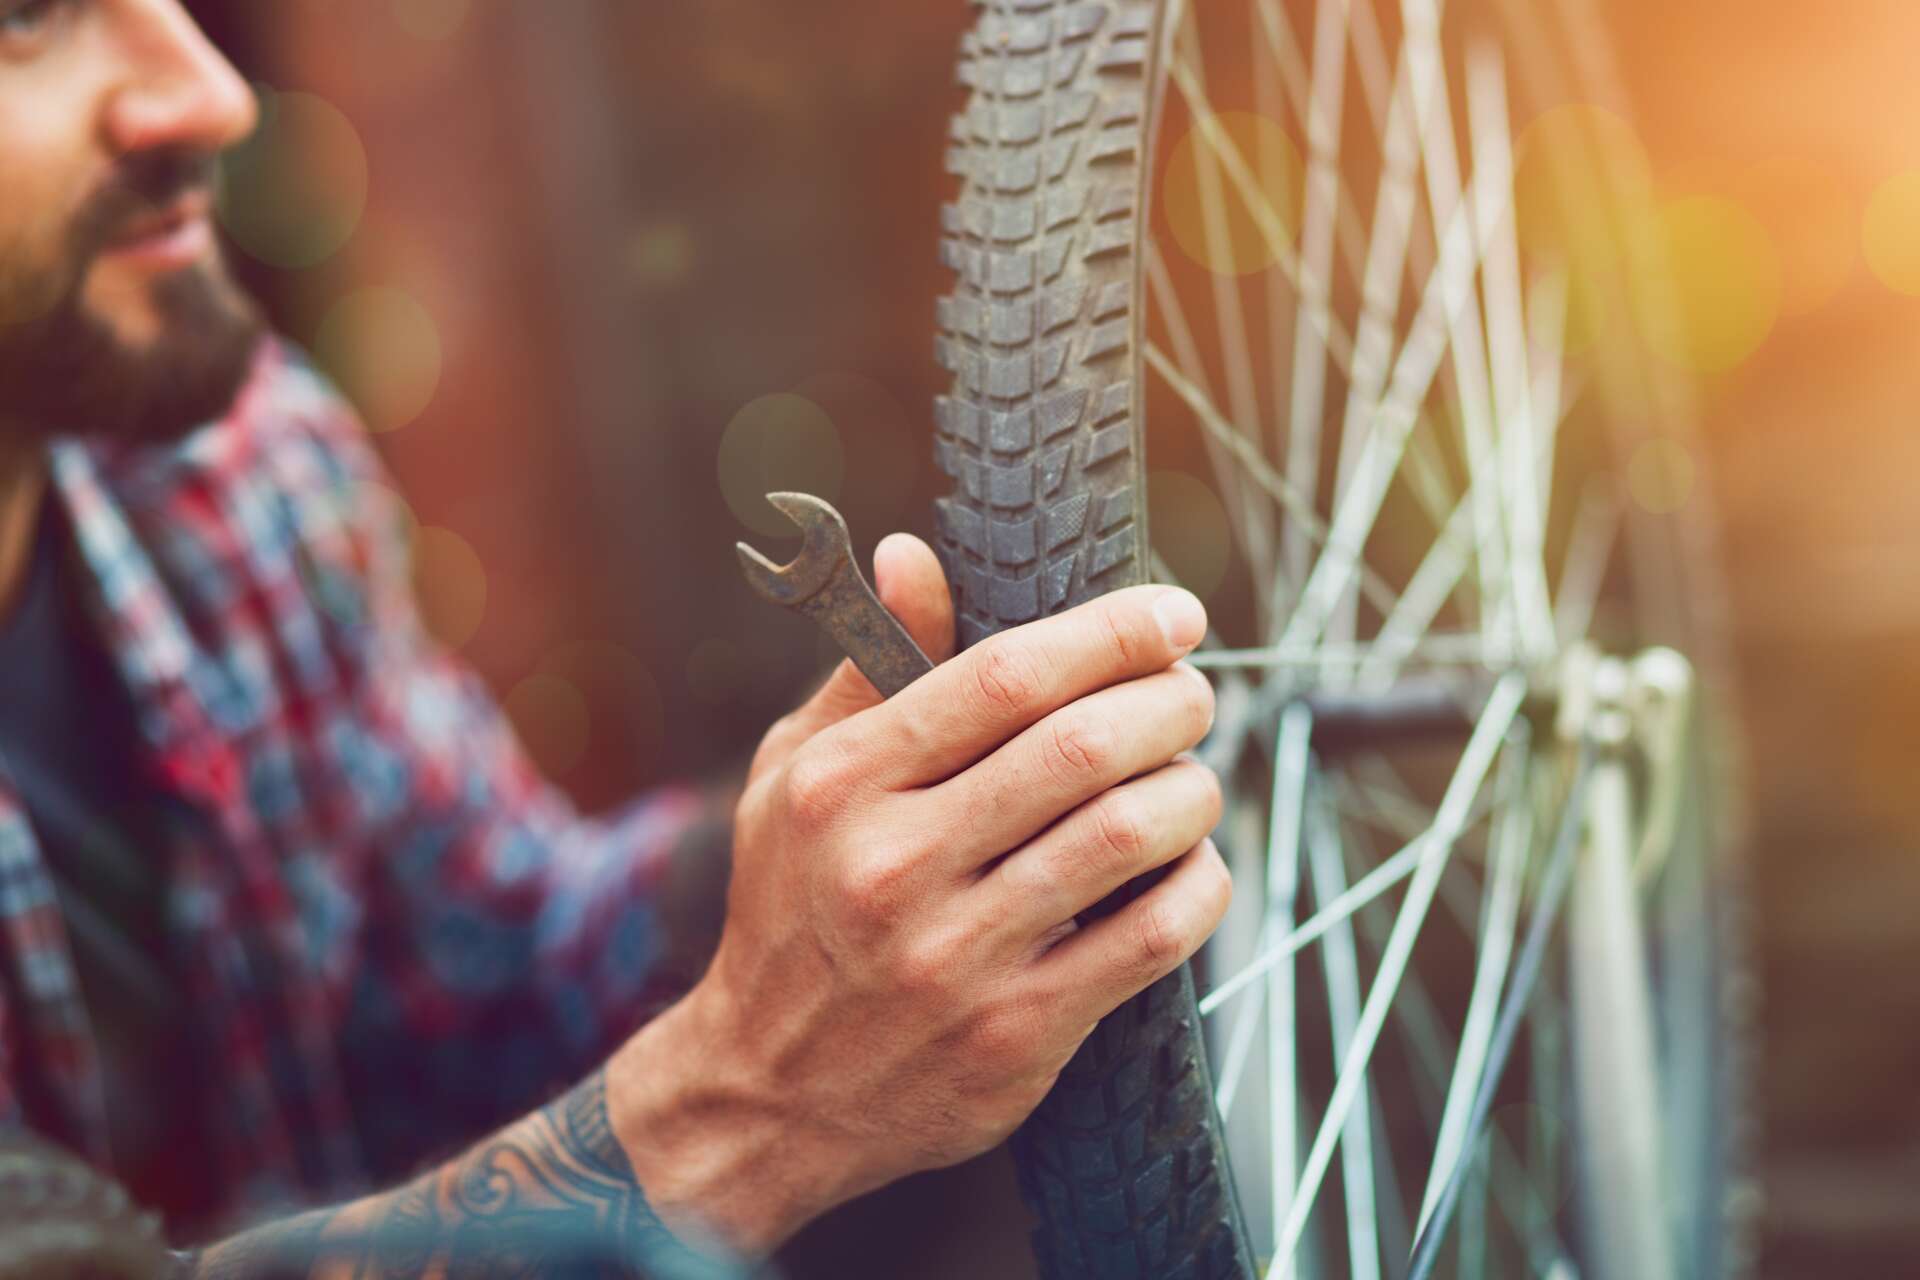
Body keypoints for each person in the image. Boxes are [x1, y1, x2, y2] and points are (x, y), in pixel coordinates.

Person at [0, 0, 1232, 1273]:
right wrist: (745, 1102)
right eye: (29, 19)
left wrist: (844, 861)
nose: (208, 95)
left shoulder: (234, 483)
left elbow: (493, 962)